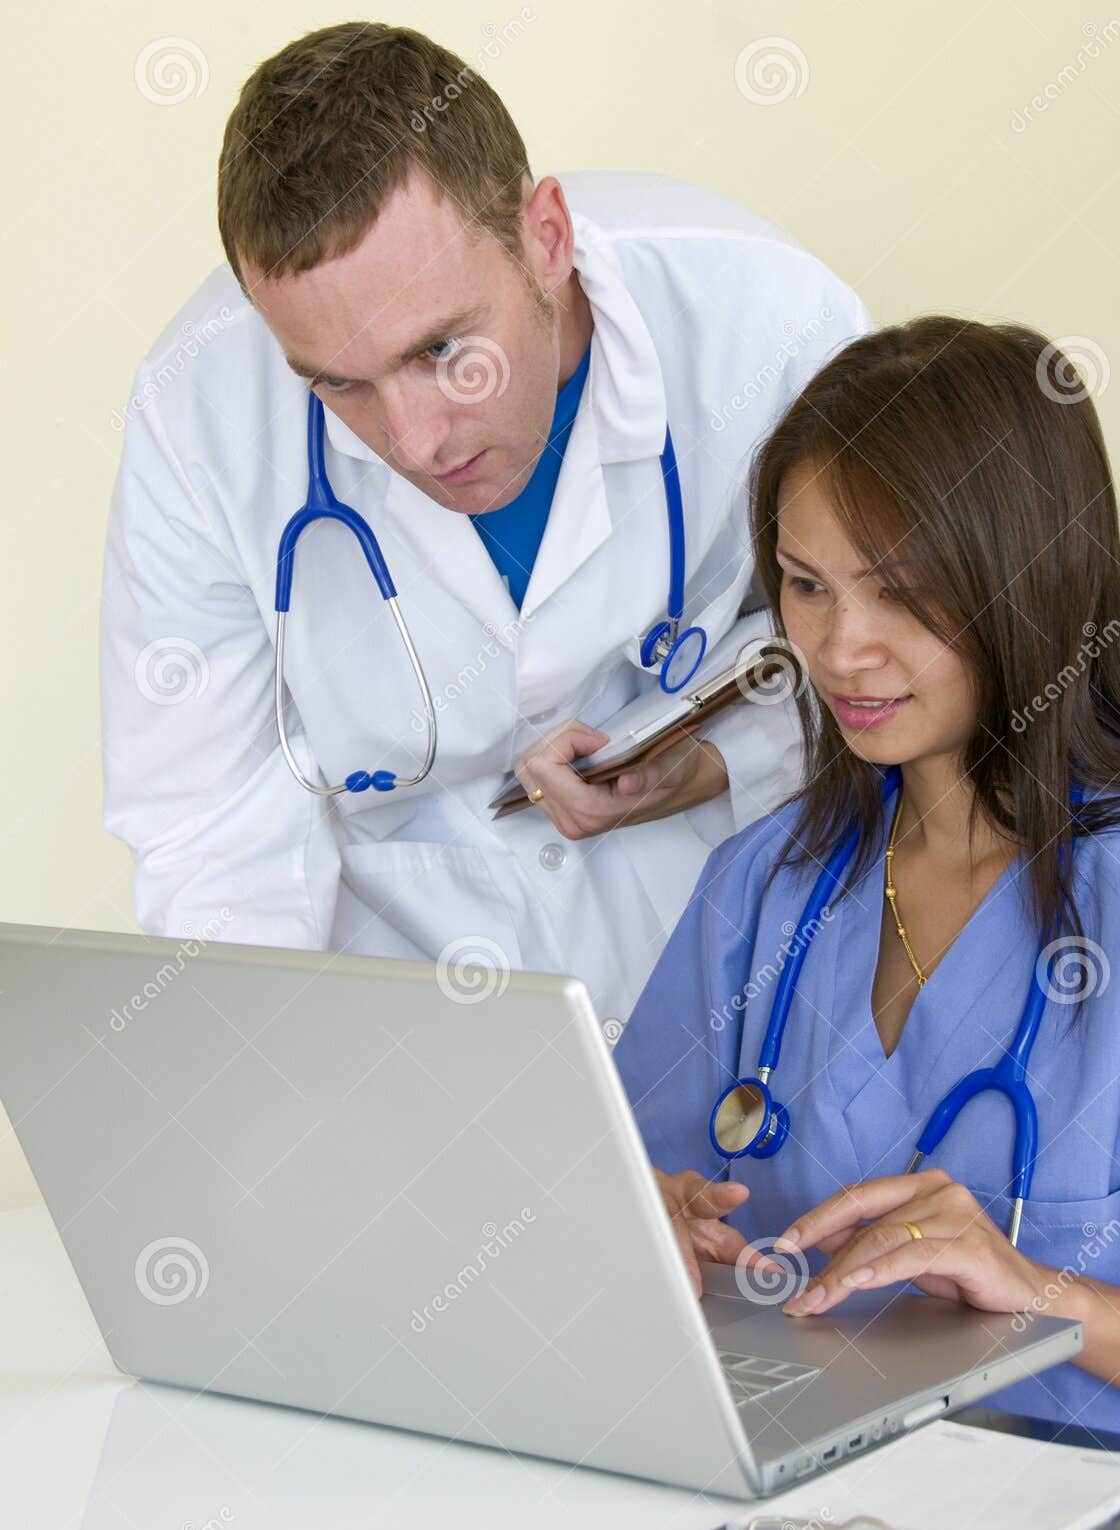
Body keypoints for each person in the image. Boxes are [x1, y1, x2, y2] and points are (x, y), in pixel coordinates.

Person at [99, 22, 870, 1033]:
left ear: (545, 237)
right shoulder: (196, 414)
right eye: (338, 385)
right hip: (401, 984)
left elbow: (908, 634)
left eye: (441, 351)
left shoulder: (765, 321)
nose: (414, 442)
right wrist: (270, 1074)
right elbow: (209, 831)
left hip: (720, 921)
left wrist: (726, 757)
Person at [613, 316, 1120, 1500]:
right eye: (806, 585)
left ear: (1030, 580)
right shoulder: (762, 888)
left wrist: (1040, 1294)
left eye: (901, 594)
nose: (840, 650)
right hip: (804, 1510)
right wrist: (644, 1219)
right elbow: (633, 1190)